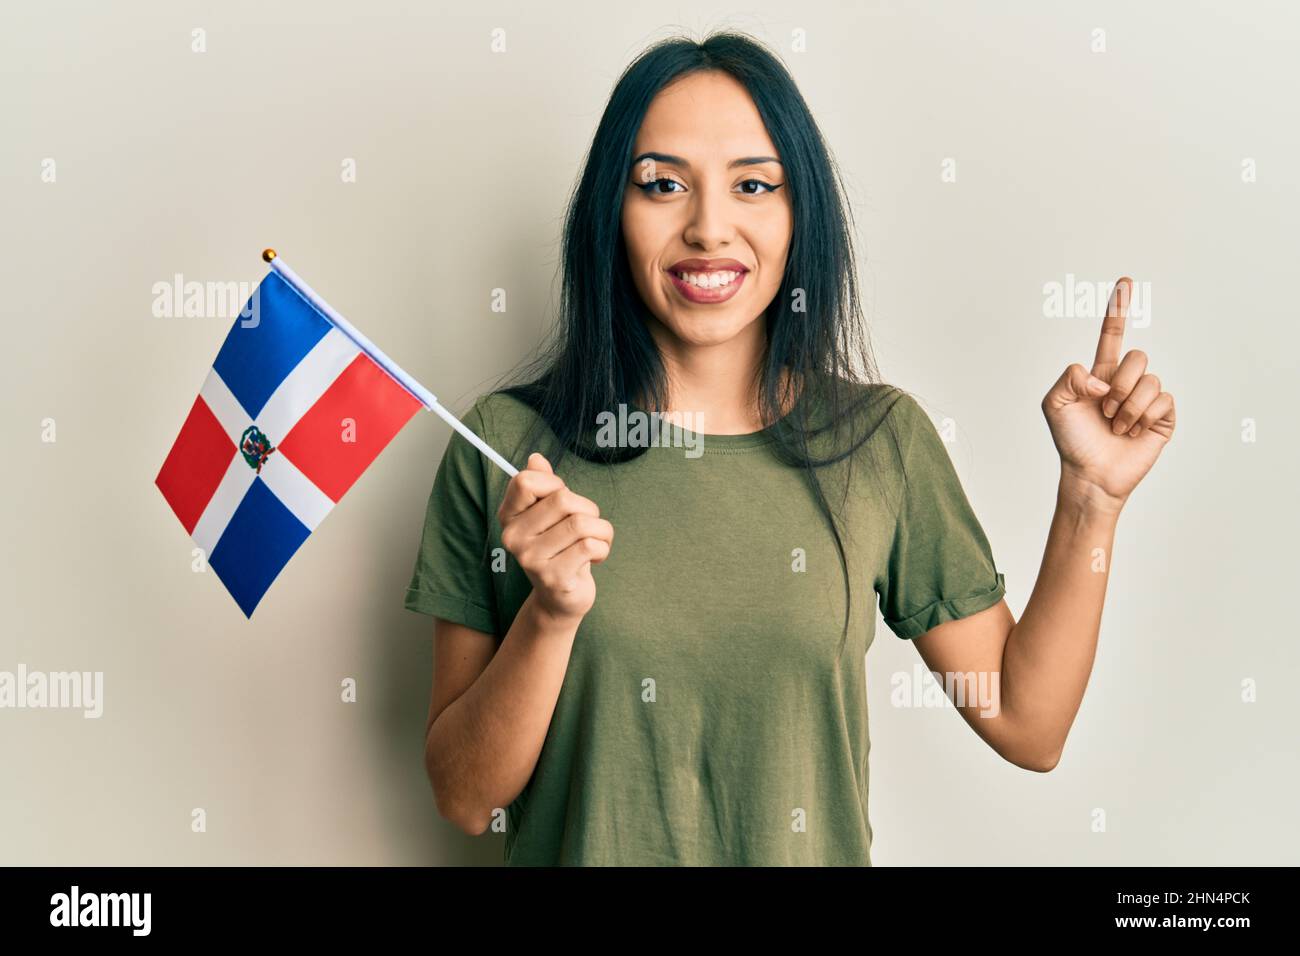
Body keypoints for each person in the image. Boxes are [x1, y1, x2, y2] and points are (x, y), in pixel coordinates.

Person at [403, 32, 1176, 866]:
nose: (707, 227)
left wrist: (1091, 501)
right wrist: (549, 618)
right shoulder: (509, 449)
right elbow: (464, 798)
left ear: (798, 212)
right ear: (610, 214)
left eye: (753, 185)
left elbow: (1031, 725)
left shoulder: (881, 444)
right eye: (662, 185)